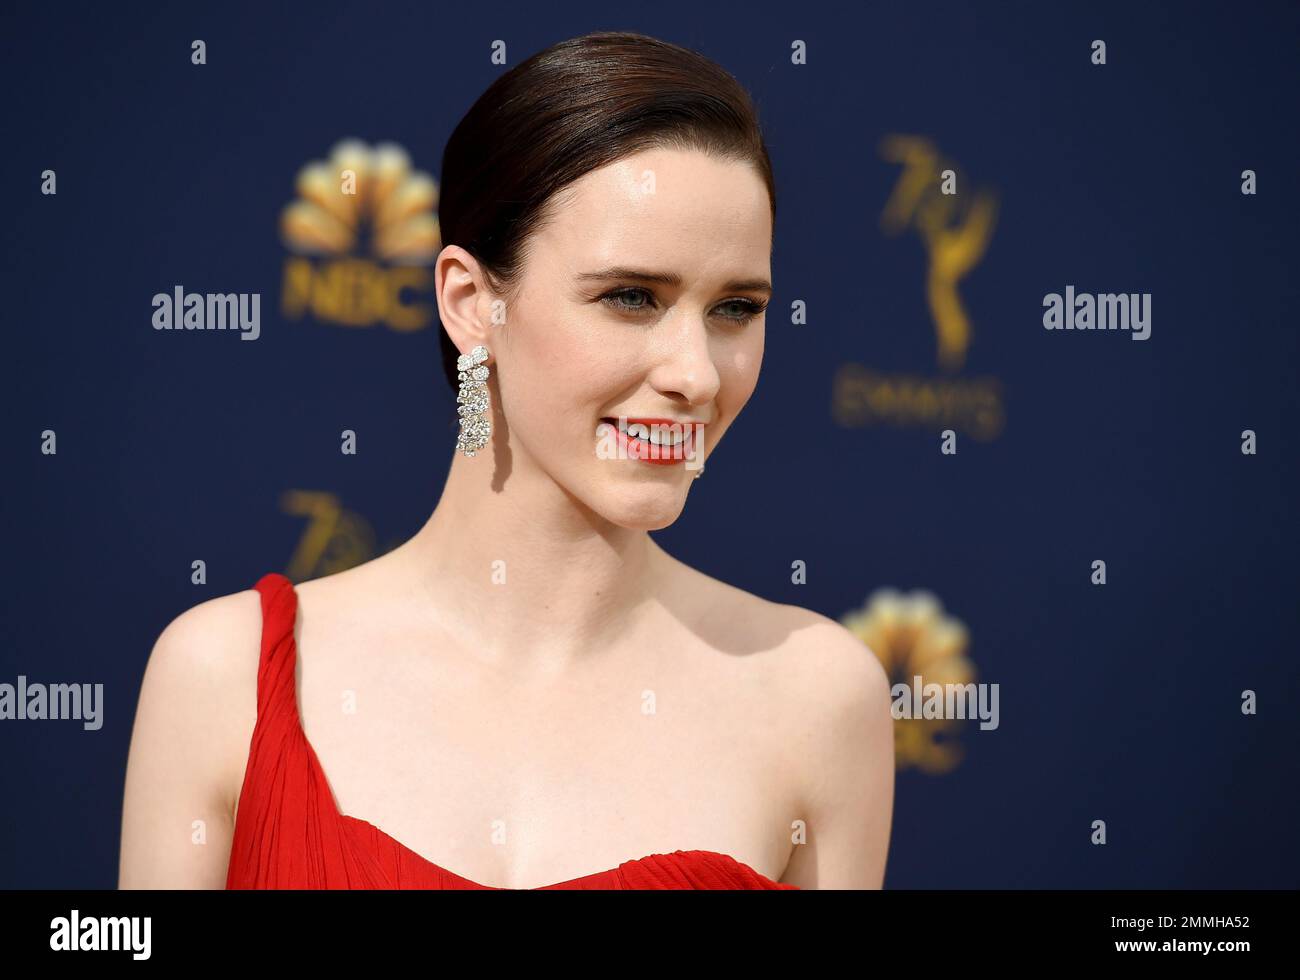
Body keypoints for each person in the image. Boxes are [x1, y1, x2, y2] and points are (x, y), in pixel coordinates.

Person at [119, 30, 894, 890]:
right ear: (469, 301)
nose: (696, 373)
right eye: (632, 297)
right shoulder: (224, 677)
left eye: (736, 308)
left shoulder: (818, 699)